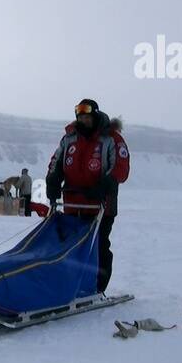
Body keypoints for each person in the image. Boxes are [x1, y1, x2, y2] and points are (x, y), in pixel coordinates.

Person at [45, 99, 119, 294]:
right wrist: (52, 181)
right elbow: (56, 162)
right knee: (69, 247)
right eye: (81, 117)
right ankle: (69, 285)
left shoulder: (110, 139)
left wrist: (103, 186)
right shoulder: (69, 138)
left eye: (87, 117)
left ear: (94, 117)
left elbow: (120, 168)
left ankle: (96, 288)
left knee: (99, 246)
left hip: (101, 206)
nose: (84, 120)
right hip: (72, 205)